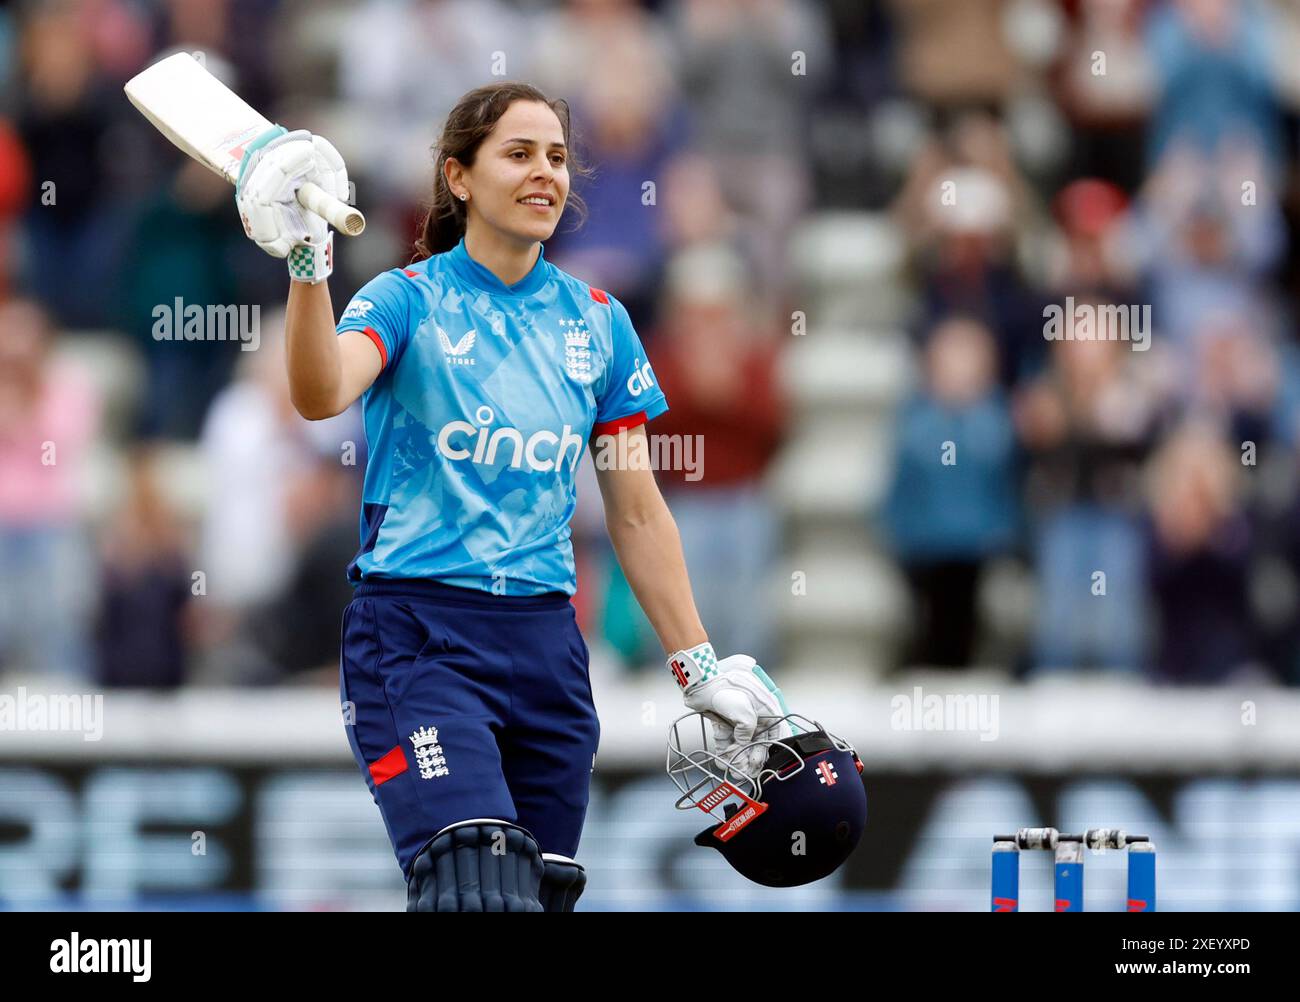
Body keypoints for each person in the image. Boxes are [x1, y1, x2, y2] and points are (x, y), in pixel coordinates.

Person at [232, 81, 789, 911]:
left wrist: (698, 665)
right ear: (458, 176)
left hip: (546, 647)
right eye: (519, 154)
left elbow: (636, 511)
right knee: (475, 889)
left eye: (558, 158)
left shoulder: (599, 322)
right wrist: (309, 263)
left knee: (533, 898)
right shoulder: (405, 299)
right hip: (419, 640)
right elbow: (319, 394)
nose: (546, 175)